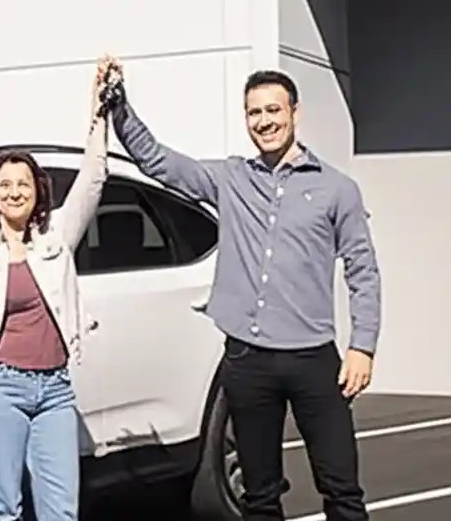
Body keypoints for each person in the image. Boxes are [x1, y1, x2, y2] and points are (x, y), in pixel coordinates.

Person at [104, 56, 381, 521]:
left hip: (313, 359)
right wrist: (118, 104)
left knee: (342, 489)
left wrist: (363, 347)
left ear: (294, 113)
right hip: (247, 361)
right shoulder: (231, 179)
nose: (264, 121)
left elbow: (363, 270)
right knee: (259, 495)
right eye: (254, 112)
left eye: (274, 110)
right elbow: (157, 161)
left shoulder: (337, 189)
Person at [0, 61, 110, 521]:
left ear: (38, 191)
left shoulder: (56, 239)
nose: (14, 192)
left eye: (23, 184)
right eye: (5, 185)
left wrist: (99, 112)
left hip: (55, 388)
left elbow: (94, 179)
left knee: (62, 510)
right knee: (2, 507)